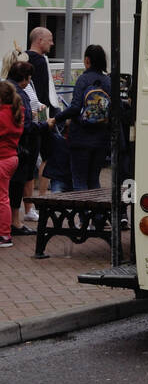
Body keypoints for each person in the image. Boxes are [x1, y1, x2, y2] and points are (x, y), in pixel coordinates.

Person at [48, 44, 111, 191]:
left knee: (79, 180)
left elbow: (75, 108)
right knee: (94, 180)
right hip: (102, 139)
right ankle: (96, 214)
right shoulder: (108, 81)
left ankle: (83, 214)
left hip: (81, 138)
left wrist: (56, 119)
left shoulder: (83, 79)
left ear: (87, 60)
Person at [26, 26, 63, 190]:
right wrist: (44, 122)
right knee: (47, 156)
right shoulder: (40, 61)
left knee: (27, 160)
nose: (53, 43)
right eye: (50, 40)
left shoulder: (23, 58)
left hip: (26, 114)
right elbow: (41, 93)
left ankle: (27, 204)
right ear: (40, 41)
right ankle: (42, 198)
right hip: (40, 115)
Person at [6, 60, 40, 235]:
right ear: (25, 78)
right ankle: (14, 223)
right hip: (16, 148)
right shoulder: (17, 93)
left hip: (9, 147)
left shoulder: (5, 89)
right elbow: (25, 126)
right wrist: (43, 125)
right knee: (15, 185)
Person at [0, 80, 26, 246]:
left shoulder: (2, 115)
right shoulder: (16, 113)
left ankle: (4, 234)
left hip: (2, 159)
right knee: (4, 196)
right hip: (12, 157)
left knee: (2, 198)